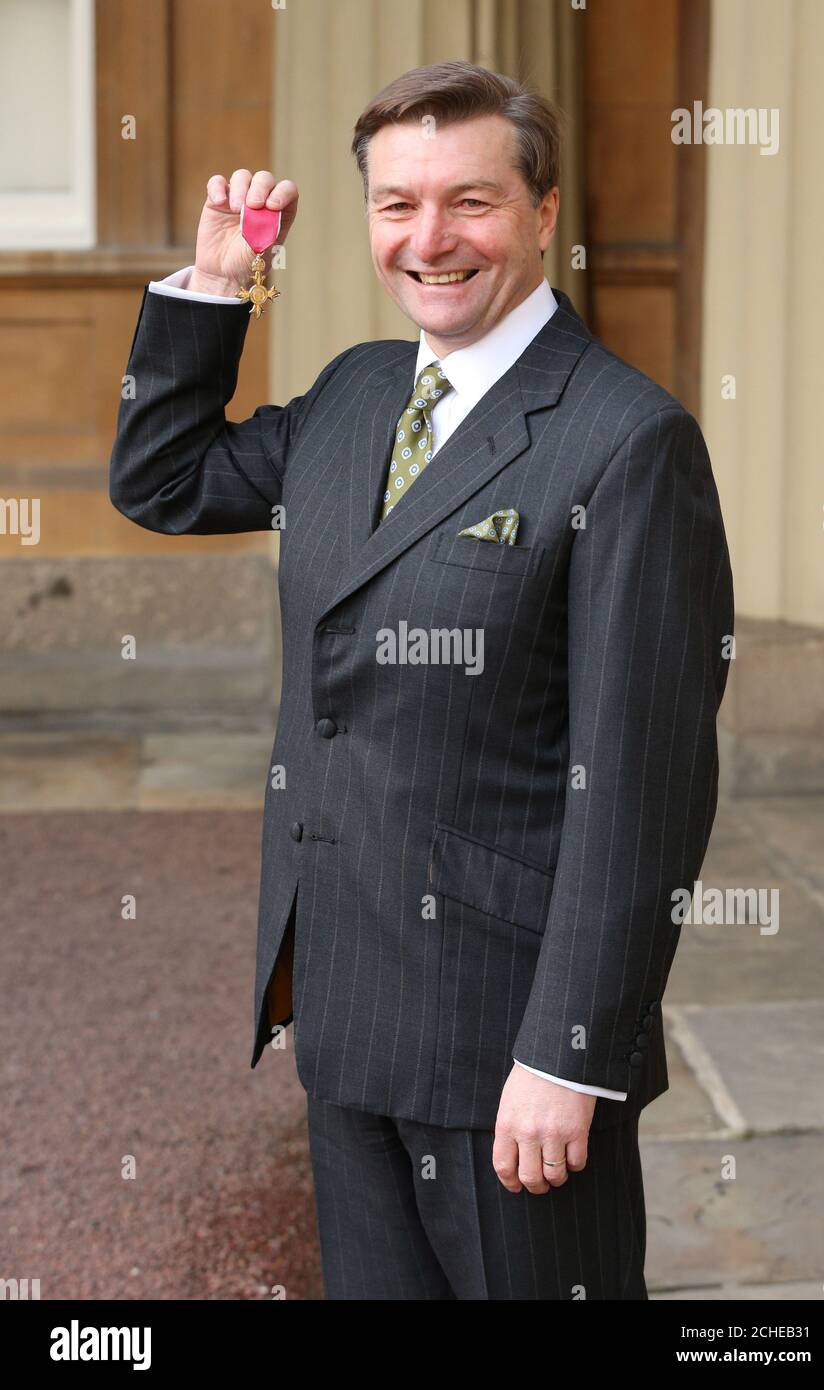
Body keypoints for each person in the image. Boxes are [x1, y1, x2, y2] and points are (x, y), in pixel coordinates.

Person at [110, 60, 734, 1300]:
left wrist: (570, 1054)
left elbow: (642, 784)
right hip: (346, 1008)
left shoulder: (627, 440)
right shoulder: (353, 395)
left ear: (544, 214)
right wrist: (220, 286)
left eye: (471, 203)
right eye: (397, 205)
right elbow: (163, 480)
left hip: (505, 1049)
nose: (429, 240)